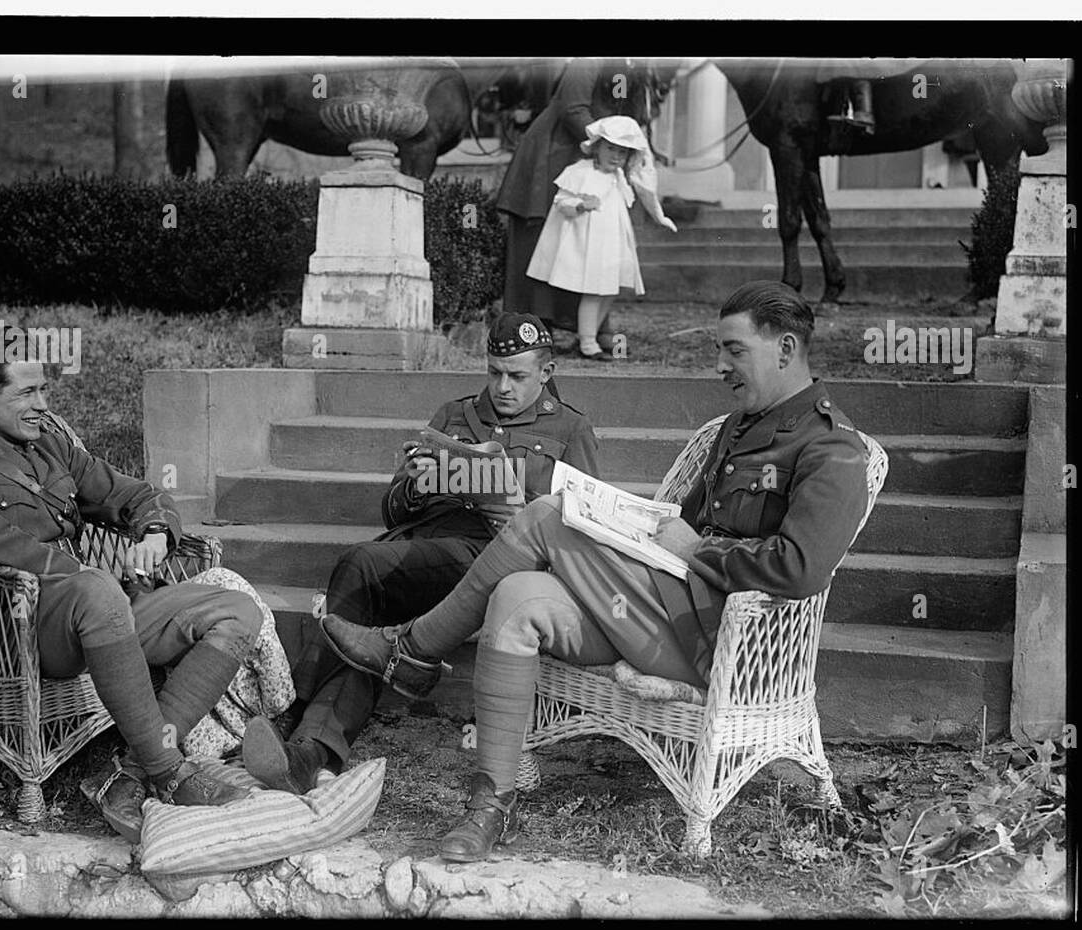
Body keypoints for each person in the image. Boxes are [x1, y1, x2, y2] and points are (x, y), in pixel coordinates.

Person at [319, 281, 870, 862]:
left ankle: (412, 649)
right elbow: (676, 527)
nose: (719, 365)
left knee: (546, 516)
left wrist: (696, 551)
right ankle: (489, 807)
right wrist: (630, 527)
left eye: (735, 351)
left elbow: (801, 570)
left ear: (785, 350)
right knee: (518, 595)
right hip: (658, 611)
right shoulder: (740, 427)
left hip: (721, 643)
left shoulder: (832, 449)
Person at [0, 333, 263, 843]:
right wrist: (82, 577)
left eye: (44, 390)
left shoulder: (51, 446)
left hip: (101, 612)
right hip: (21, 626)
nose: (43, 406)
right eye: (27, 393)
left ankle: (130, 773)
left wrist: (155, 532)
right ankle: (169, 772)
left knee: (237, 610)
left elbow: (137, 494)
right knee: (98, 589)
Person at [240, 314, 600, 795]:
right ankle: (310, 752)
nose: (503, 387)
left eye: (517, 376)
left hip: (494, 559)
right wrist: (415, 480)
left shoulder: (571, 429)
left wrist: (519, 509)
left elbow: (586, 528)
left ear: (547, 372)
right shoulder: (453, 415)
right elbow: (392, 512)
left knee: (360, 565)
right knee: (363, 620)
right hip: (425, 548)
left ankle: (293, 716)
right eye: (494, 372)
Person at [496, 58, 659, 342]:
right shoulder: (590, 61)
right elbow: (572, 108)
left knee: (591, 242)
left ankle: (591, 327)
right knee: (545, 238)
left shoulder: (634, 67)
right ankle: (535, 324)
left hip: (597, 154)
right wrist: (610, 141)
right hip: (555, 152)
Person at [526, 116, 677, 358]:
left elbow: (642, 190)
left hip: (612, 240)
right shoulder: (578, 171)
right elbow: (562, 202)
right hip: (587, 242)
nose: (616, 156)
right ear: (596, 146)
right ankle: (588, 344)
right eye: (610, 148)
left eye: (622, 152)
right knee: (594, 290)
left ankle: (589, 336)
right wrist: (580, 205)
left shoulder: (619, 177)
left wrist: (660, 217)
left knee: (608, 290)